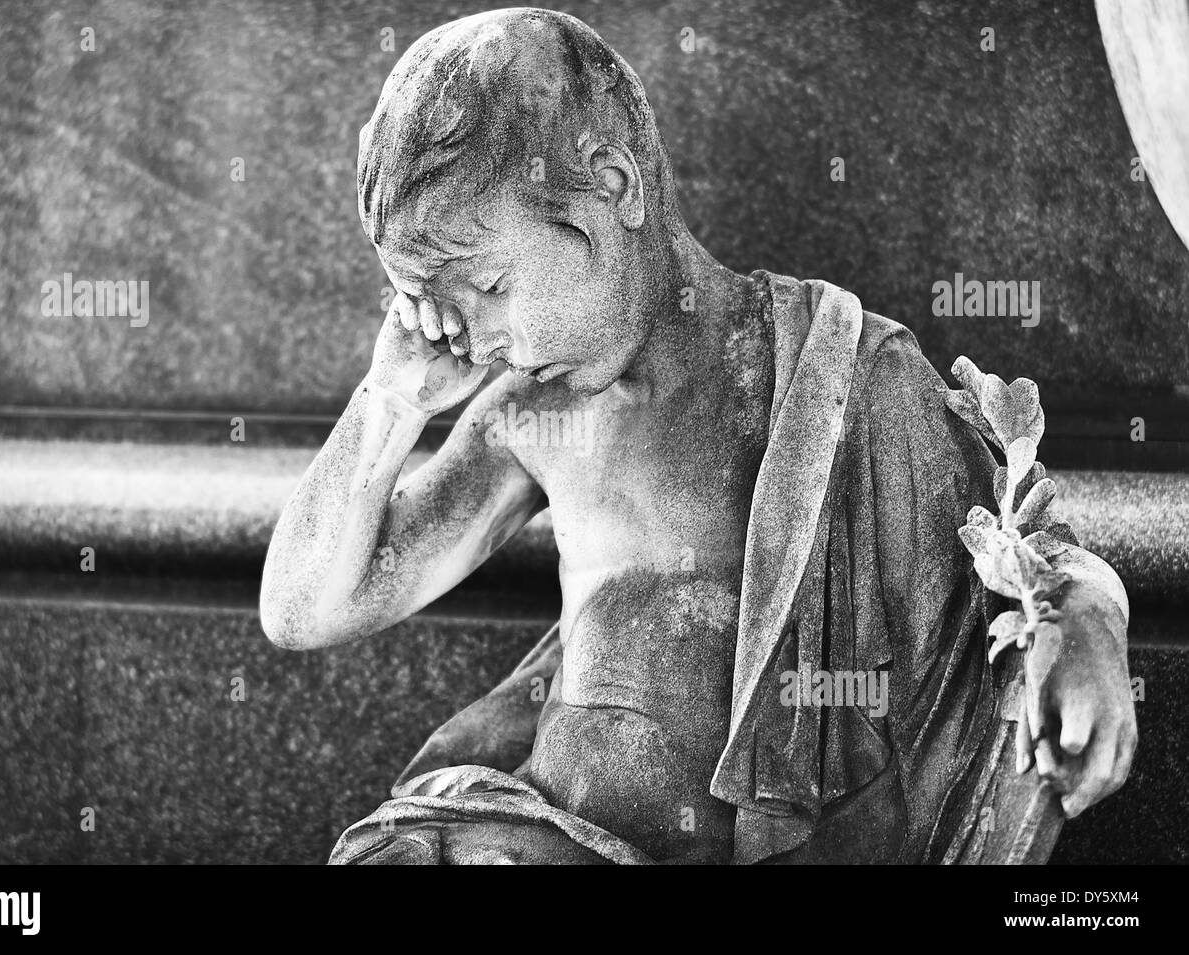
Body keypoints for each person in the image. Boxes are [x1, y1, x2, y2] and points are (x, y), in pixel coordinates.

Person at [259, 8, 1135, 864]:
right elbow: (305, 610)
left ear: (613, 189)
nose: (477, 340)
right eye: (440, 308)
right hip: (541, 833)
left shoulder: (840, 374)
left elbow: (1015, 546)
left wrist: (1085, 618)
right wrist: (390, 400)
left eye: (489, 286)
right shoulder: (531, 416)